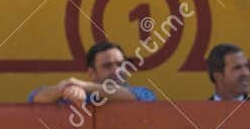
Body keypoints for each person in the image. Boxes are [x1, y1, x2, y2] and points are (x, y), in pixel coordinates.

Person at [29, 39, 159, 105]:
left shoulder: (143, 93)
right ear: (92, 73)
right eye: (107, 66)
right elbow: (35, 97)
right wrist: (64, 89)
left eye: (120, 64)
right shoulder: (83, 97)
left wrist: (83, 85)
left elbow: (135, 96)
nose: (116, 70)